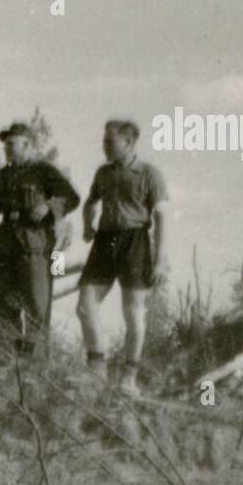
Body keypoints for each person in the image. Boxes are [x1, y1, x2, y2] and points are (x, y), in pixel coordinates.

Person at [76, 119, 170, 395]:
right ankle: (97, 370)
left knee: (133, 314)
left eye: (110, 141)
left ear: (128, 143)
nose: (104, 146)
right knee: (85, 306)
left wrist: (160, 260)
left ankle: (128, 378)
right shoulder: (103, 173)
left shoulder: (149, 173)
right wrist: (86, 225)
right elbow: (90, 202)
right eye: (104, 140)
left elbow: (162, 215)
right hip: (105, 242)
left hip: (135, 242)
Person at [0, 121, 80, 358]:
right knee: (1, 305)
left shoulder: (44, 170)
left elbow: (71, 197)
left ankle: (34, 369)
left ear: (28, 145)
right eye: (5, 145)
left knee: (36, 308)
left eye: (12, 144)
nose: (6, 149)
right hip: (5, 247)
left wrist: (48, 206)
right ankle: (6, 361)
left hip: (34, 247)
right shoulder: (5, 174)